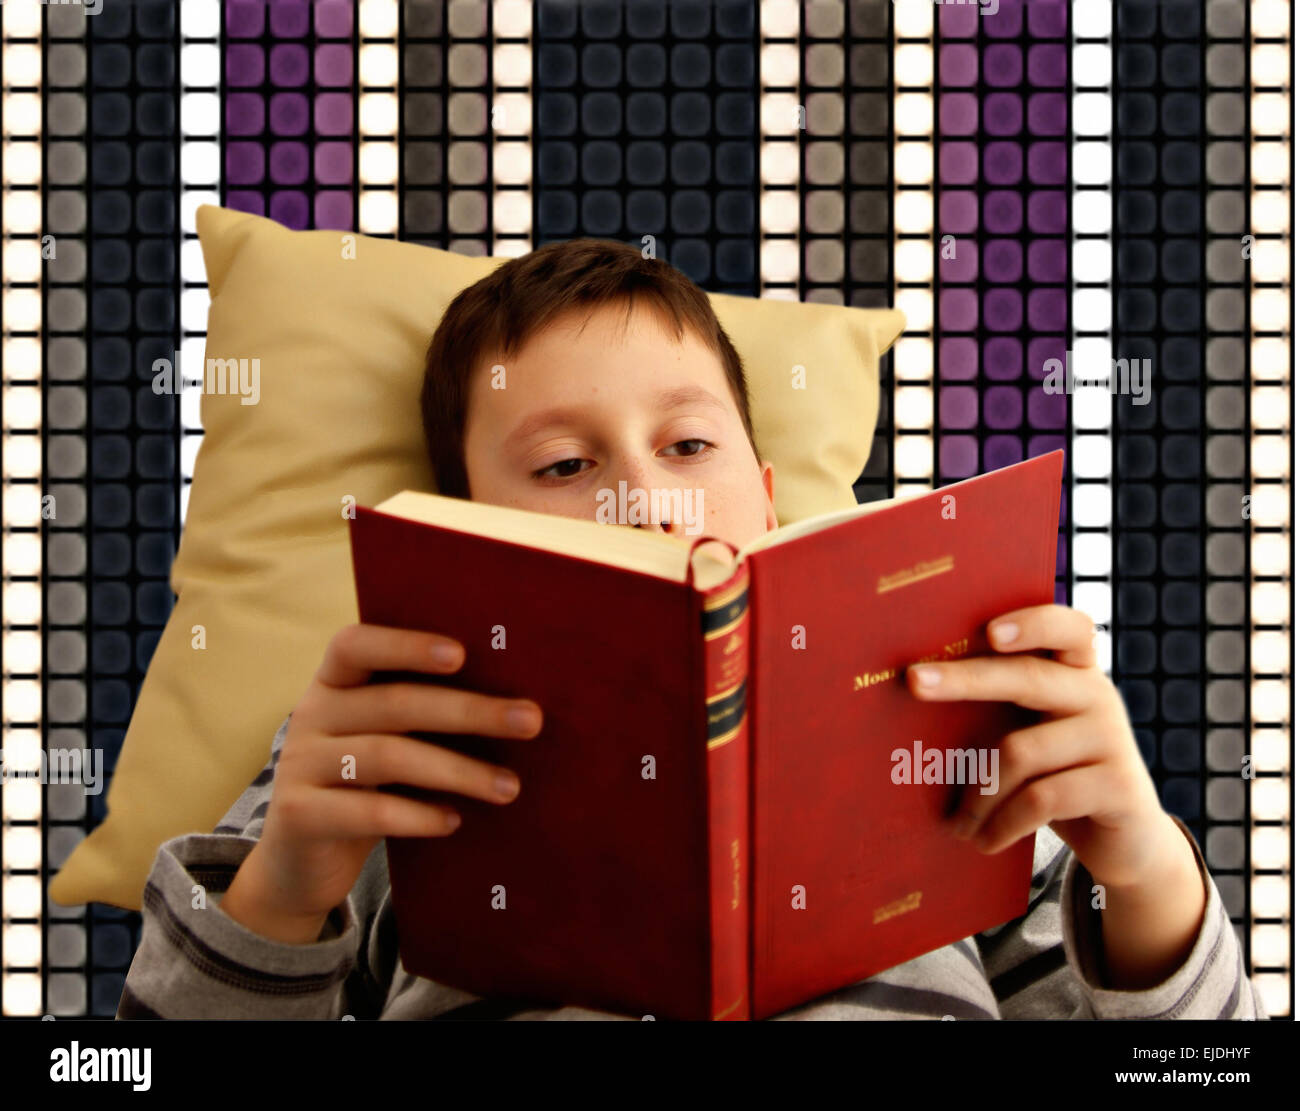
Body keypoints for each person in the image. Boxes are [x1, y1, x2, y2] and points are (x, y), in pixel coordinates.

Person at [118, 239, 1263, 1020]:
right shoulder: (373, 727)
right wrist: (283, 884)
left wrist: (1144, 860)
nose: (644, 499)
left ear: (767, 497)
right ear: (457, 532)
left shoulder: (955, 709)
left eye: (688, 447)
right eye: (565, 464)